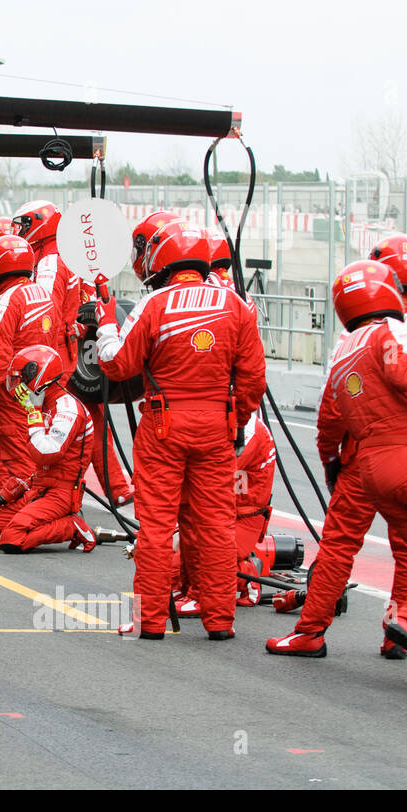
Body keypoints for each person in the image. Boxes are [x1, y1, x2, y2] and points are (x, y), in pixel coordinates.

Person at [268, 237, 407, 669]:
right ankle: (403, 630)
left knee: (338, 546)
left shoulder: (345, 344)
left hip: (360, 461)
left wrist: (332, 463)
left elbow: (329, 416)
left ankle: (309, 631)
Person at [97, 219, 267, 639]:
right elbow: (253, 378)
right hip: (216, 426)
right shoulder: (236, 306)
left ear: (161, 261)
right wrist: (236, 424)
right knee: (215, 526)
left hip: (163, 425)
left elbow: (118, 364)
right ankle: (220, 621)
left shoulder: (154, 305)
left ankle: (150, 621)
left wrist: (104, 322)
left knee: (155, 527)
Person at [19, 199, 133, 503]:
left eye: (23, 225)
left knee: (54, 427)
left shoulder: (48, 262)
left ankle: (55, 494)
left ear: (38, 224)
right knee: (93, 422)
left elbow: (41, 311)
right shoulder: (69, 260)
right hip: (71, 355)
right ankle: (118, 489)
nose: (20, 232)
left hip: (53, 357)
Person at [0, 234, 61, 546]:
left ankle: (51, 523)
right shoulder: (44, 294)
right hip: (44, 393)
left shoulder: (8, 300)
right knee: (33, 460)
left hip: (13, 394)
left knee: (17, 464)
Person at [0, 345, 99, 553]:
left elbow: (46, 453)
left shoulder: (67, 409)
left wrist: (33, 415)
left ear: (38, 375)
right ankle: (46, 520)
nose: (20, 385)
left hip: (60, 493)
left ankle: (73, 527)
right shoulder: (45, 403)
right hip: (39, 486)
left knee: (11, 539)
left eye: (23, 377)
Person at [174, 410, 276, 615]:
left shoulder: (248, 432)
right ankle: (187, 590)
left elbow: (211, 473)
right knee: (168, 567)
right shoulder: (216, 420)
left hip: (243, 516)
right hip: (215, 509)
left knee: (213, 556)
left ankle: (245, 576)